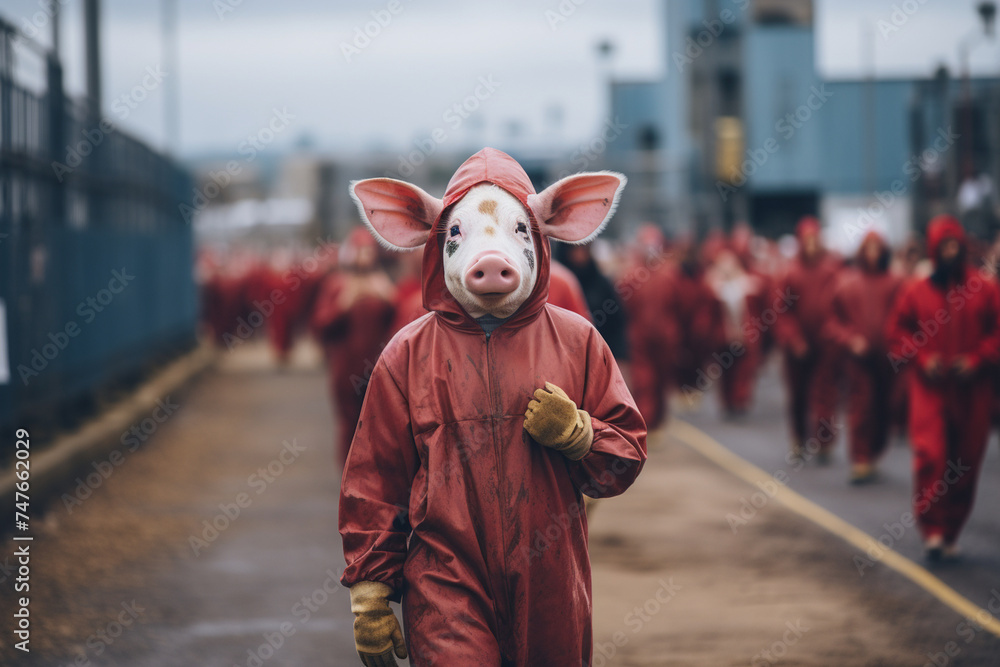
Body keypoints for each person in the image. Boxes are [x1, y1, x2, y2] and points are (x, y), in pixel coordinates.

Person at [886, 216, 1000, 561]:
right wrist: (922, 357)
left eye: (955, 245)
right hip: (930, 389)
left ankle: (951, 530)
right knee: (930, 458)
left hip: (971, 390)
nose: (951, 251)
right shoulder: (916, 292)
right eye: (945, 246)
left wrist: (979, 359)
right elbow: (897, 334)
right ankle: (932, 529)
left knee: (966, 462)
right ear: (935, 250)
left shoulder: (984, 289)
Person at [310, 227, 396, 466]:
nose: (363, 256)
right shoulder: (336, 284)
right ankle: (349, 478)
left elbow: (398, 326)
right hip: (346, 370)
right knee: (349, 424)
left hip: (378, 369)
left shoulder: (382, 282)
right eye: (359, 250)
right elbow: (319, 325)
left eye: (368, 250)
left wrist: (390, 298)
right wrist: (344, 305)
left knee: (378, 425)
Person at [828, 231, 903, 484]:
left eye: (877, 248)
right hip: (858, 359)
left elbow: (905, 318)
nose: (872, 254)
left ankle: (873, 453)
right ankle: (859, 457)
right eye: (868, 248)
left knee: (885, 407)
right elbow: (833, 321)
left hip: (888, 359)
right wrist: (850, 340)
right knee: (860, 407)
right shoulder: (847, 283)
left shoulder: (895, 283)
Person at [775, 217, 843, 462]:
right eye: (808, 241)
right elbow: (782, 311)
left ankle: (824, 442)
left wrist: (832, 332)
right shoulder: (790, 273)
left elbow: (839, 306)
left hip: (825, 345)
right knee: (798, 394)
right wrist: (795, 340)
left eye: (815, 240)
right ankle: (799, 440)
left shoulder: (831, 271)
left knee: (825, 393)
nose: (812, 245)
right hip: (798, 348)